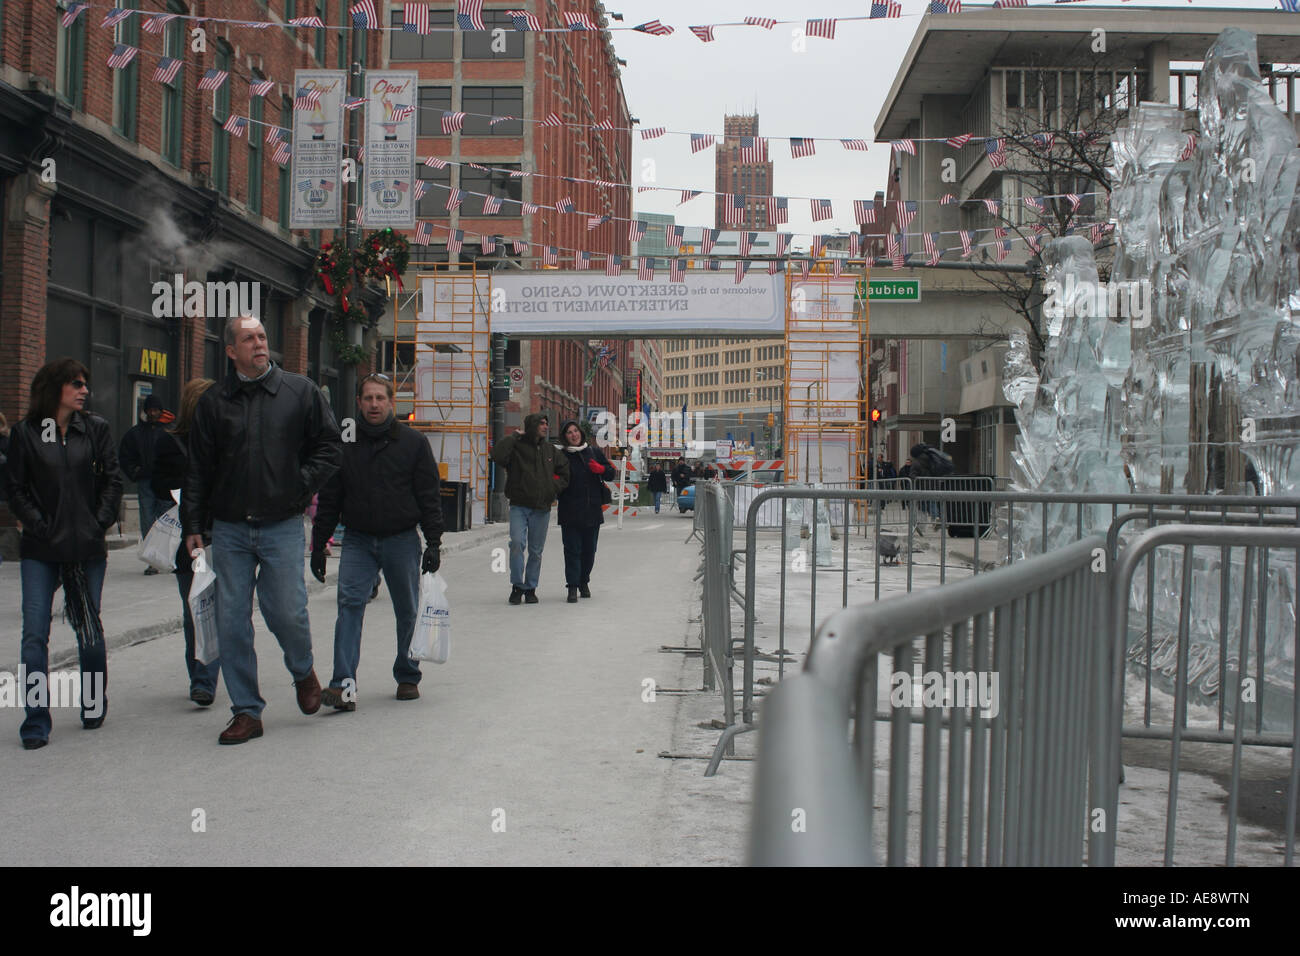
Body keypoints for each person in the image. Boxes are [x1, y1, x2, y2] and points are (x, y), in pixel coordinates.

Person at [183, 314, 342, 745]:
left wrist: (298, 484)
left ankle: (302, 670)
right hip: (230, 528)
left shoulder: (300, 392)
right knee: (232, 621)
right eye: (248, 338)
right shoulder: (214, 402)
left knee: (286, 611)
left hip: (282, 524)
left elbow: (330, 449)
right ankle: (247, 711)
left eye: (262, 336)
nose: (259, 344)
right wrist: (193, 523)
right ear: (231, 350)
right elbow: (198, 467)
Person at [4, 359, 123, 749]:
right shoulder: (26, 433)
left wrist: (98, 522)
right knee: (34, 635)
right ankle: (36, 721)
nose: (84, 389)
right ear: (55, 387)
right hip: (41, 549)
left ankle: (92, 702)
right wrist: (40, 525)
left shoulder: (96, 430)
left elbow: (112, 480)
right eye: (76, 383)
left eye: (85, 383)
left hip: (86, 547)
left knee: (88, 630)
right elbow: (16, 490)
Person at [310, 372, 444, 709]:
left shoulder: (412, 443)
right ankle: (343, 684)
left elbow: (429, 495)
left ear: (391, 402)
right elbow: (330, 496)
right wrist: (319, 543)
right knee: (350, 606)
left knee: (407, 610)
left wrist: (433, 542)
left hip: (400, 539)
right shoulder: (345, 440)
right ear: (358, 402)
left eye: (380, 398)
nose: (374, 404)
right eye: (367, 398)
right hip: (357, 540)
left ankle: (407, 675)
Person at [151, 378, 221, 707]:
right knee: (194, 609)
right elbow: (157, 484)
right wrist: (182, 492)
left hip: (221, 534)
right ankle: (200, 677)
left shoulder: (226, 440)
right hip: (187, 537)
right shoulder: (170, 443)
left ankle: (206, 679)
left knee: (218, 609)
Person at [490, 412, 569, 605]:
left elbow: (565, 472)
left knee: (535, 551)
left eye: (546, 423)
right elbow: (497, 456)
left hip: (542, 508)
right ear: (532, 425)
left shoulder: (550, 450)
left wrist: (553, 488)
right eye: (541, 423)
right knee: (517, 544)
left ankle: (531, 587)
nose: (545, 426)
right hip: (519, 505)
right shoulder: (516, 447)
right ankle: (517, 586)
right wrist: (514, 436)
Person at [554, 420, 613, 603]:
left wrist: (602, 469)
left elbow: (611, 473)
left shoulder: (593, 451)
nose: (574, 435)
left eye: (576, 431)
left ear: (580, 433)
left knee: (589, 551)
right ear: (565, 437)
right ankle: (572, 587)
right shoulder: (561, 456)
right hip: (569, 511)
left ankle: (583, 581)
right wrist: (556, 480)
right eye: (569, 432)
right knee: (572, 550)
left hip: (591, 510)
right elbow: (554, 479)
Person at [119, 393, 168, 574]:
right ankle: (153, 560)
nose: (153, 413)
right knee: (148, 521)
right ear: (146, 411)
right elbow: (125, 456)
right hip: (146, 481)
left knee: (166, 522)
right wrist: (136, 472)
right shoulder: (135, 434)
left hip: (165, 483)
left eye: (156, 410)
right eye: (150, 409)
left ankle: (164, 556)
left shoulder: (169, 431)